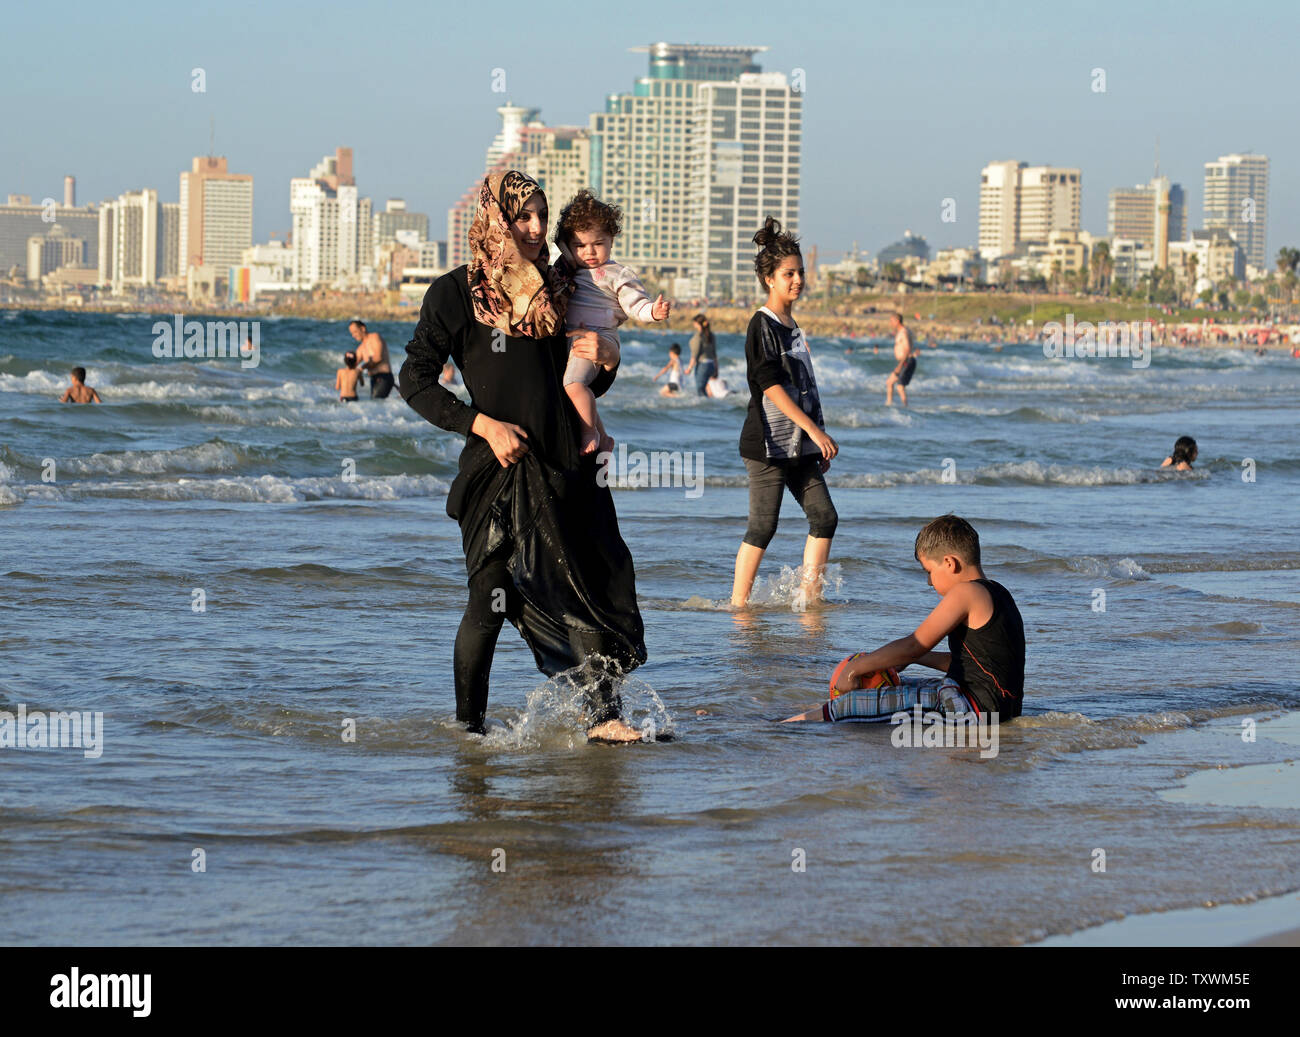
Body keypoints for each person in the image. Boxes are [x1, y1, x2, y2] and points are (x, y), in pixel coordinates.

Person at [398, 169, 647, 744]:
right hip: (497, 471)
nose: (536, 228)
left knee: (582, 591)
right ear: (495, 220)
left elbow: (579, 381)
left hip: (566, 466)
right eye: (522, 216)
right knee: (488, 600)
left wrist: (609, 356)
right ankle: (469, 731)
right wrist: (481, 424)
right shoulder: (456, 294)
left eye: (542, 215)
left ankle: (602, 720)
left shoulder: (561, 288)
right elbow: (413, 379)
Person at [783, 514, 1026, 723]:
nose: (929, 582)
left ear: (950, 563)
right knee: (897, 685)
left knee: (849, 707)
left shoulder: (966, 592)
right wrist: (918, 659)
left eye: (929, 572)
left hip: (972, 709)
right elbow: (969, 663)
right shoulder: (997, 591)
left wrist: (853, 670)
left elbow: (912, 645)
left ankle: (784, 726)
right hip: (993, 706)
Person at [731, 216, 838, 612]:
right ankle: (738, 607)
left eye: (800, 272)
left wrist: (815, 440)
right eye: (788, 273)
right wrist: (815, 432)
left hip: (799, 447)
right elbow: (771, 388)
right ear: (769, 279)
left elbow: (805, 388)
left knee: (824, 517)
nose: (797, 280)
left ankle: (810, 600)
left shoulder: (791, 326)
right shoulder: (762, 325)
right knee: (763, 526)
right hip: (766, 445)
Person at [553, 189, 670, 454]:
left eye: (598, 243)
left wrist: (652, 311)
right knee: (577, 392)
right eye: (580, 246)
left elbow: (634, 303)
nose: (589, 252)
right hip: (574, 340)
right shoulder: (567, 272)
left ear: (611, 239)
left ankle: (589, 433)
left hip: (600, 336)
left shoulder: (616, 274)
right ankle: (604, 437)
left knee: (573, 385)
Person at [349, 320, 395, 398]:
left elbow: (378, 358)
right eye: (352, 333)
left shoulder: (374, 337)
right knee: (375, 404)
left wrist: (362, 368)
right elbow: (352, 365)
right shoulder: (360, 348)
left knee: (376, 402)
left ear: (363, 328)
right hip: (373, 379)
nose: (353, 335)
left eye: (355, 332)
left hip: (384, 377)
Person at [885, 312, 918, 406]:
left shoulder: (904, 332)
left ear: (897, 321)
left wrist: (900, 365)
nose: (890, 323)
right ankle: (889, 404)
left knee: (900, 387)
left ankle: (905, 407)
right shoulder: (904, 331)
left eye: (891, 321)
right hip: (904, 361)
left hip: (906, 361)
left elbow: (907, 349)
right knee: (889, 382)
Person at [684, 313, 718, 396]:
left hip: (703, 366)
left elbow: (694, 355)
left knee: (700, 390)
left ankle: (705, 408)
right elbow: (714, 354)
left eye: (694, 323)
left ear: (697, 324)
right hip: (711, 365)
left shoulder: (698, 336)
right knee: (706, 389)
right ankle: (711, 405)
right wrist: (716, 369)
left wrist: (689, 368)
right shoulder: (711, 335)